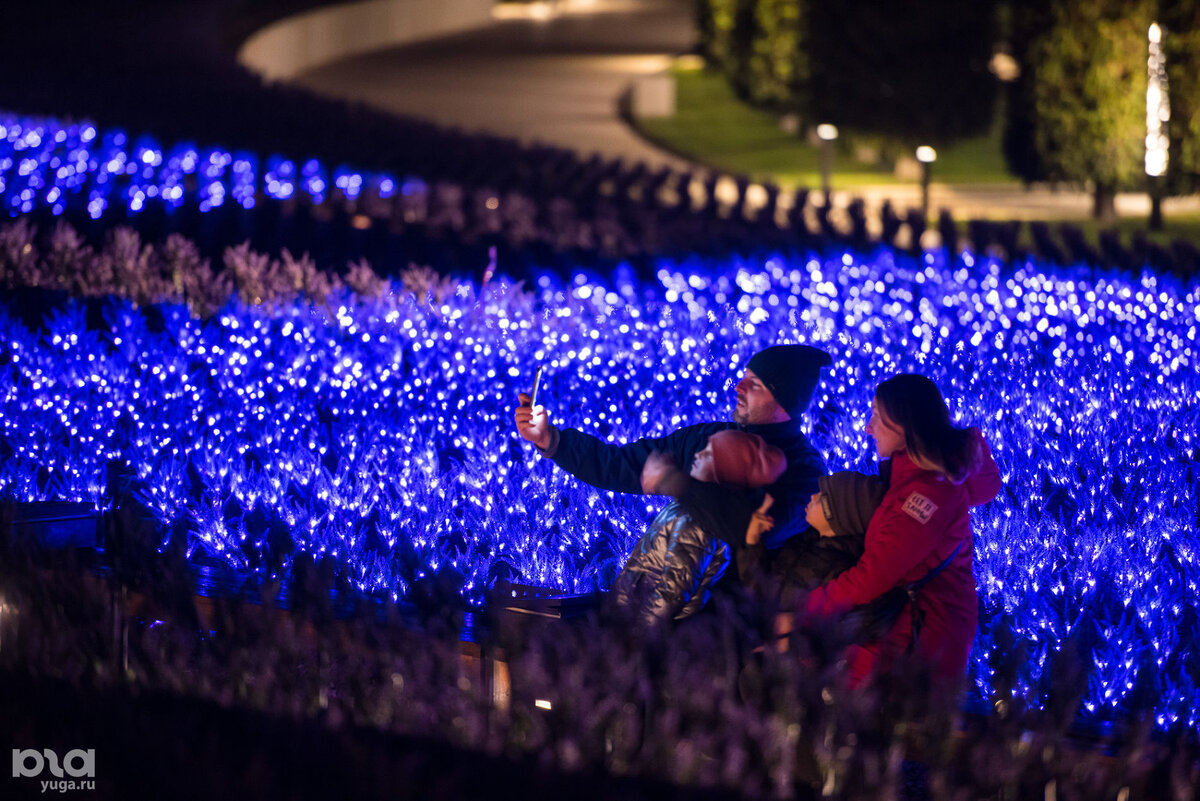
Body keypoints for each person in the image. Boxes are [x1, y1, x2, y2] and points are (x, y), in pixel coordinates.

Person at [513, 344, 833, 559]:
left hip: (737, 628)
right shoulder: (708, 436)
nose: (738, 387)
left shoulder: (804, 471)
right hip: (670, 611)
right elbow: (621, 464)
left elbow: (752, 531)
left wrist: (680, 485)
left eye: (756, 384)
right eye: (744, 377)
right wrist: (552, 441)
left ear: (785, 404)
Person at [800, 374, 1002, 689]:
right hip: (910, 629)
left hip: (919, 638)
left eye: (877, 418)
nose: (868, 427)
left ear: (905, 425)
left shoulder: (928, 493)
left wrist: (806, 609)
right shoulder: (914, 478)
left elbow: (876, 574)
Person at [610, 429, 786, 626]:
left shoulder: (701, 522)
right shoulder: (695, 506)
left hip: (644, 625)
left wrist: (636, 635)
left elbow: (673, 591)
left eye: (709, 453)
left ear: (723, 471)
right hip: (633, 613)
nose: (699, 454)